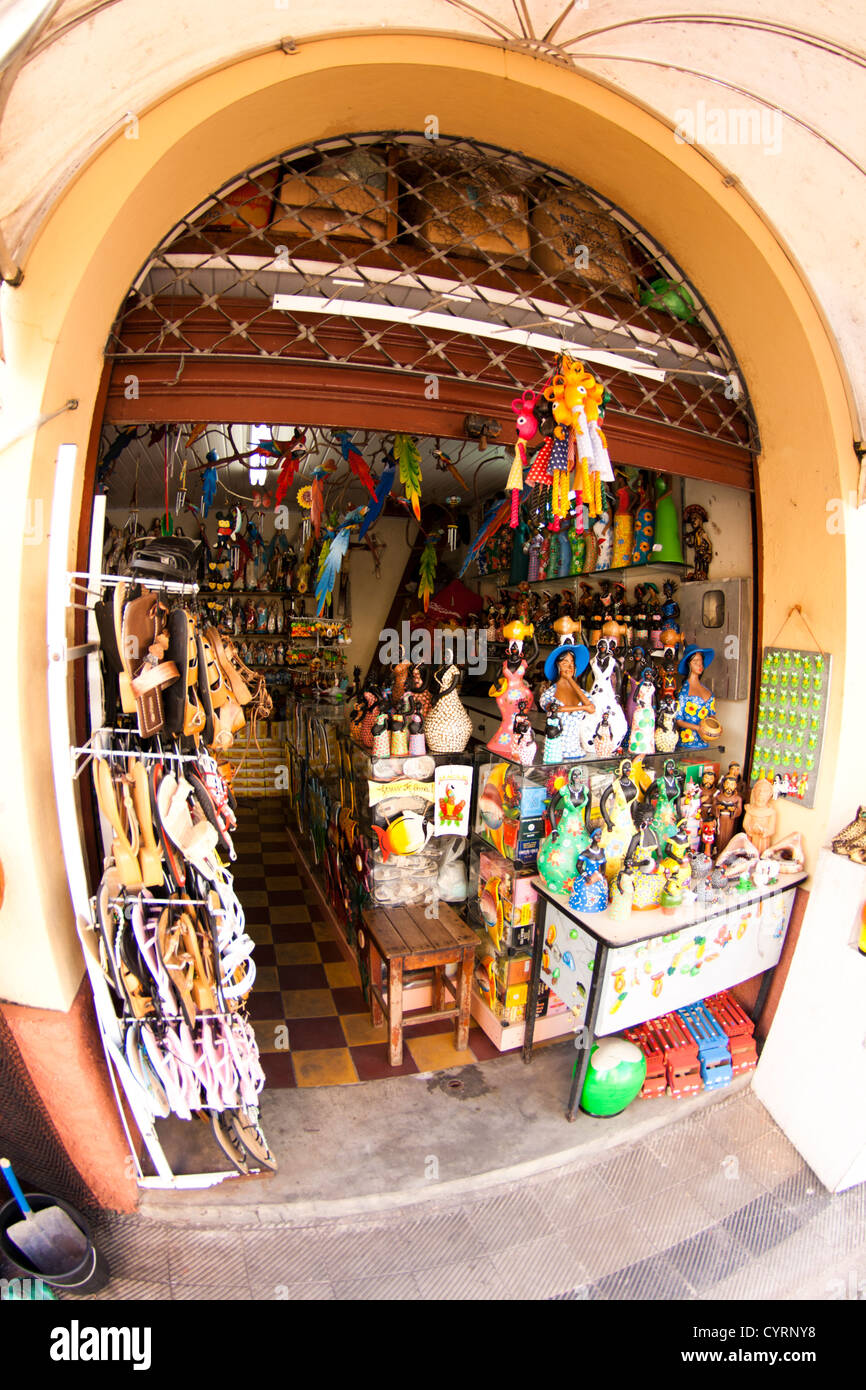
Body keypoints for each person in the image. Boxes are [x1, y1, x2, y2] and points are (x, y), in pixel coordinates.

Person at [539, 637, 595, 761]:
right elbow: (556, 709)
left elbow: (590, 708)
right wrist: (582, 708)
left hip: (576, 751)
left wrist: (570, 680)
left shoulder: (582, 694)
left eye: (572, 663)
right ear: (557, 667)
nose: (569, 667)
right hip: (553, 752)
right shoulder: (548, 694)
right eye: (565, 663)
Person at [675, 644, 719, 750]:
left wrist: (716, 726)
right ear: (689, 665)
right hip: (687, 743)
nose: (699, 665)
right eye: (695, 662)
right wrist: (698, 728)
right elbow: (679, 720)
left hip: (704, 742)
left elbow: (711, 714)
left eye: (701, 662)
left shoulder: (707, 691)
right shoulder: (684, 692)